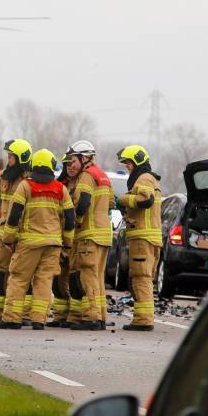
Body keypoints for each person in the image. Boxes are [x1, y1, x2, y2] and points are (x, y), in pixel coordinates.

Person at [0, 149, 74, 330]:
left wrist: (8, 238)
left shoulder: (25, 186)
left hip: (29, 243)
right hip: (53, 244)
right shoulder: (60, 189)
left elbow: (14, 214)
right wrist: (67, 243)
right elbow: (70, 218)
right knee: (44, 280)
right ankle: (39, 320)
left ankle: (12, 319)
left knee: (19, 279)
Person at [65, 140, 115, 331]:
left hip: (89, 234)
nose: (71, 164)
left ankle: (92, 318)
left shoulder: (86, 176)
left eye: (74, 160)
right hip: (104, 234)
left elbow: (83, 202)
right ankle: (101, 317)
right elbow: (111, 203)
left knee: (88, 276)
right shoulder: (102, 175)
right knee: (97, 276)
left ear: (84, 158)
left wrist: (76, 222)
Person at [0, 139, 33, 324]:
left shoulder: (30, 180)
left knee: (24, 275)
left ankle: (25, 314)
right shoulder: (3, 178)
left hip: (25, 234)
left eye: (11, 157)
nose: (8, 160)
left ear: (21, 158)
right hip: (4, 233)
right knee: (0, 270)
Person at [117, 145, 162, 331]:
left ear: (137, 162)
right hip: (150, 238)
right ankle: (143, 317)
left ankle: (143, 320)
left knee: (140, 277)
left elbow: (146, 200)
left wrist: (124, 199)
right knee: (144, 278)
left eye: (128, 162)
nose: (127, 166)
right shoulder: (151, 179)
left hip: (143, 238)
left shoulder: (143, 178)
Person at [50, 153, 75, 326]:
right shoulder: (61, 185)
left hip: (73, 237)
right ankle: (60, 315)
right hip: (58, 236)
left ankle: (73, 315)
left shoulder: (82, 182)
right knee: (57, 279)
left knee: (71, 279)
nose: (69, 168)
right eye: (67, 165)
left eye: (72, 164)